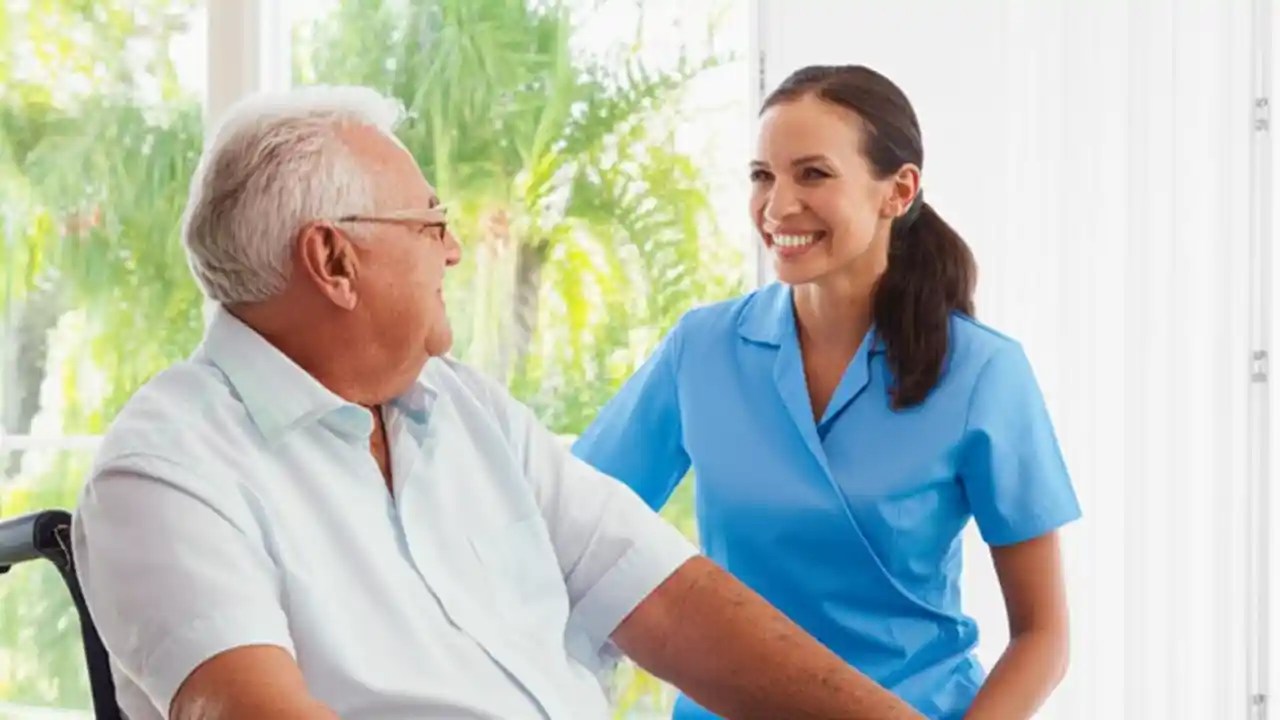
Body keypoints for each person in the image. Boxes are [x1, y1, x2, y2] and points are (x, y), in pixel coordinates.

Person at [70, 85, 925, 720]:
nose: (452, 251)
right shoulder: (166, 472)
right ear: (333, 261)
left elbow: (673, 601)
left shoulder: (460, 405)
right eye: (428, 223)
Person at [572, 65, 1082, 720]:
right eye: (763, 175)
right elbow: (574, 524)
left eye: (812, 174)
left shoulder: (983, 373)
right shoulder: (701, 350)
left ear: (898, 191)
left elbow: (1043, 635)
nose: (778, 205)